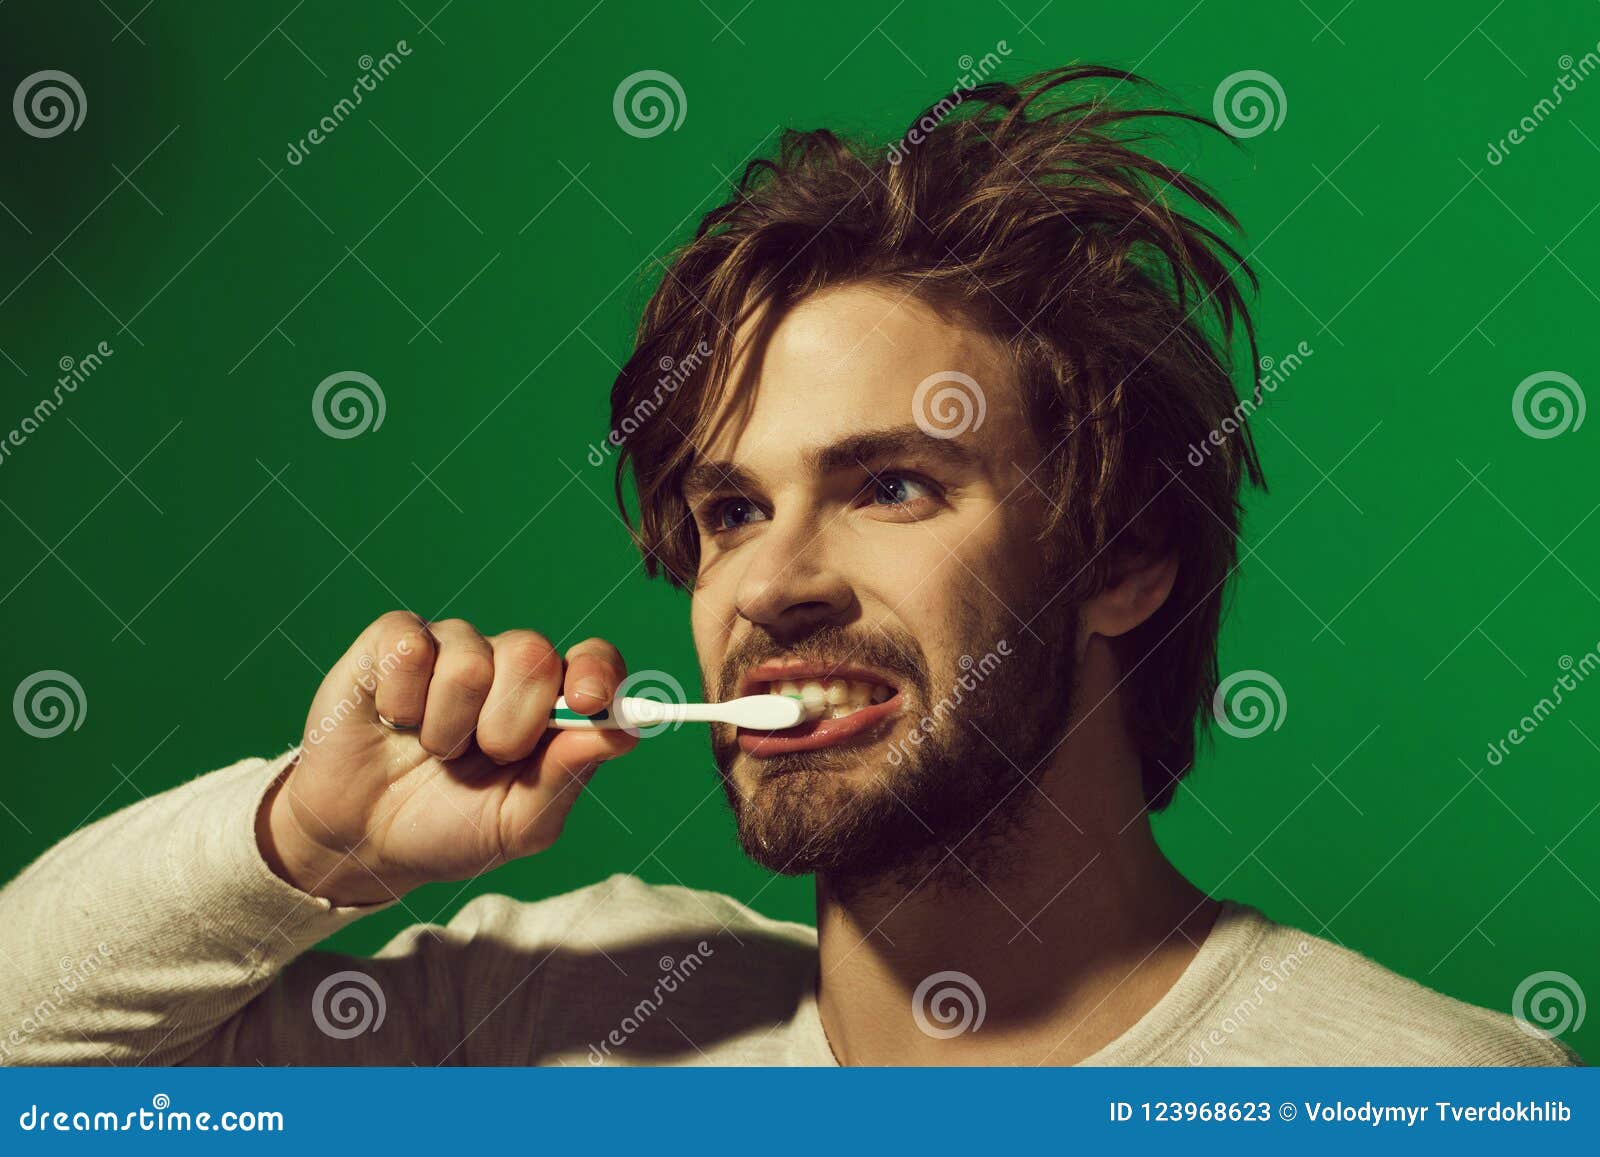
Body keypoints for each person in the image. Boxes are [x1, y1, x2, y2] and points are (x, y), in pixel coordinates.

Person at [0, 66, 1577, 1067]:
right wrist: (311, 842)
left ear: (1123, 557)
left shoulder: (1429, 1091)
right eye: (730, 512)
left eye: (891, 482)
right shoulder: (542, 1020)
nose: (769, 584)